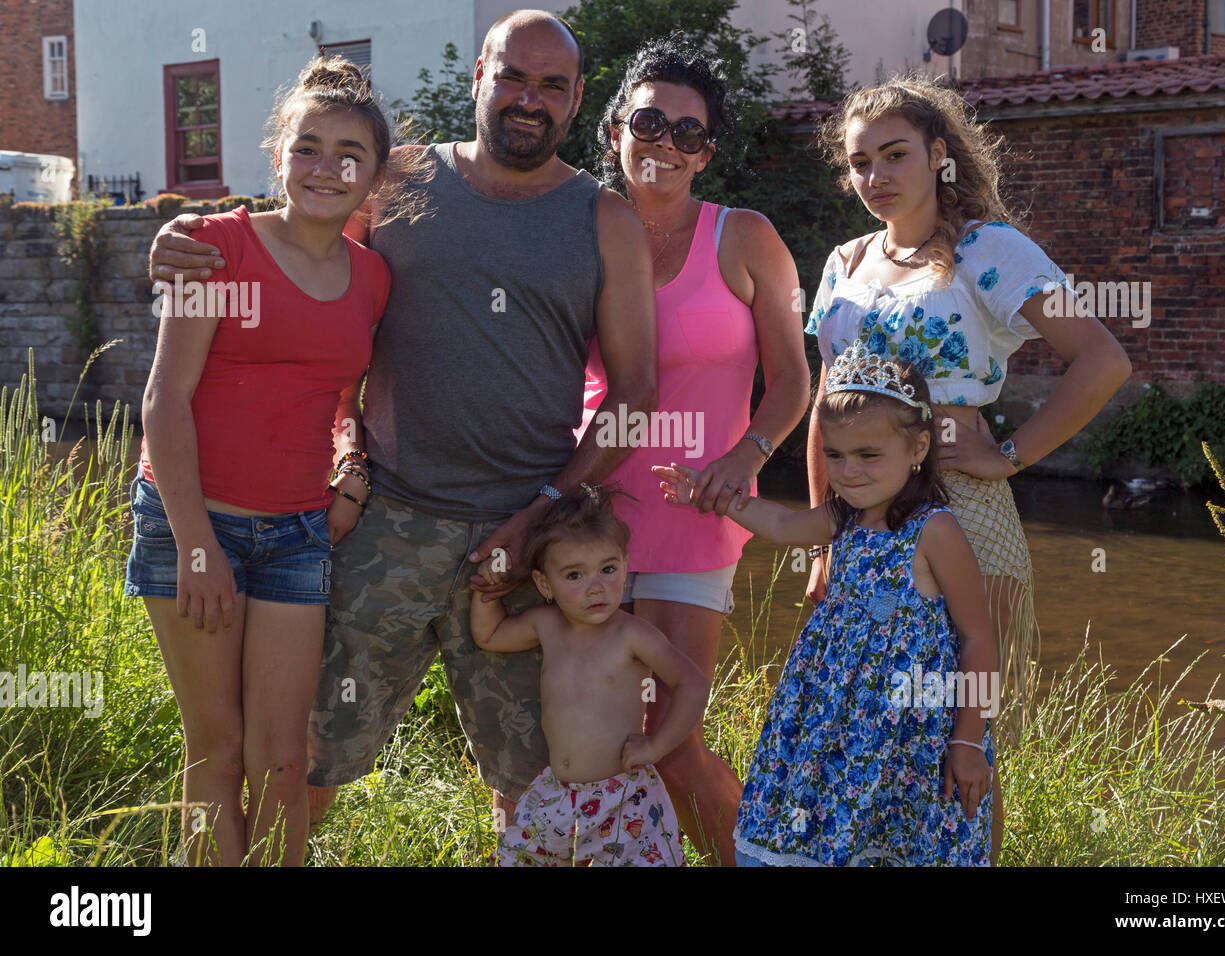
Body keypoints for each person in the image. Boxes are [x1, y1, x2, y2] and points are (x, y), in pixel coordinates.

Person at [146, 10, 659, 840]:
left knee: (535, 774)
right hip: (379, 524)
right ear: (478, 80)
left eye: (551, 85)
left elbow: (636, 395)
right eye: (512, 77)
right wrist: (192, 237)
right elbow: (308, 249)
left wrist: (540, 513)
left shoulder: (605, 221)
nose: (529, 98)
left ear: (573, 103)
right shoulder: (404, 179)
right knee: (304, 759)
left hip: (519, 541)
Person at [803, 76, 1132, 859]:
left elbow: (1103, 359)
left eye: (895, 155)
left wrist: (1012, 455)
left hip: (962, 505)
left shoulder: (989, 248)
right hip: (861, 517)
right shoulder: (845, 261)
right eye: (860, 162)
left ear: (938, 155)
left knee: (964, 728)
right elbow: (826, 405)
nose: (876, 176)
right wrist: (823, 536)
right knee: (869, 721)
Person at [127, 56, 429, 865]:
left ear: (373, 178)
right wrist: (196, 546)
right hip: (192, 523)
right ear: (279, 156)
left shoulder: (373, 278)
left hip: (297, 534)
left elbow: (342, 401)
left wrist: (352, 475)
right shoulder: (209, 247)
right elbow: (163, 402)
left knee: (284, 759)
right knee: (215, 752)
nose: (325, 168)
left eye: (348, 155)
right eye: (308, 147)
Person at [576, 37, 809, 866]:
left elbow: (792, 381)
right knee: (589, 739)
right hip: (584, 518)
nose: (664, 143)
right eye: (647, 121)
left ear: (707, 153)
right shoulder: (575, 230)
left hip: (693, 518)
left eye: (687, 132)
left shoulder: (743, 238)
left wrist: (747, 455)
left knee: (671, 740)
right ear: (614, 131)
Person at [655, 349, 999, 865]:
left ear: (918, 448)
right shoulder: (844, 516)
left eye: (867, 454)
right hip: (829, 716)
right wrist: (719, 498)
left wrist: (968, 740)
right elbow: (783, 526)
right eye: (834, 455)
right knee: (825, 828)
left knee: (902, 833)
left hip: (908, 728)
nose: (848, 472)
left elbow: (979, 637)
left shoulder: (934, 529)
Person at [471, 487, 709, 866]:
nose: (596, 586)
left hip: (623, 798)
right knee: (518, 858)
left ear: (625, 565)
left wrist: (656, 746)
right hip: (555, 794)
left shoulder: (631, 634)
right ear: (544, 584)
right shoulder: (546, 625)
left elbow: (692, 682)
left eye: (608, 569)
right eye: (575, 575)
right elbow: (490, 635)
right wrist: (487, 589)